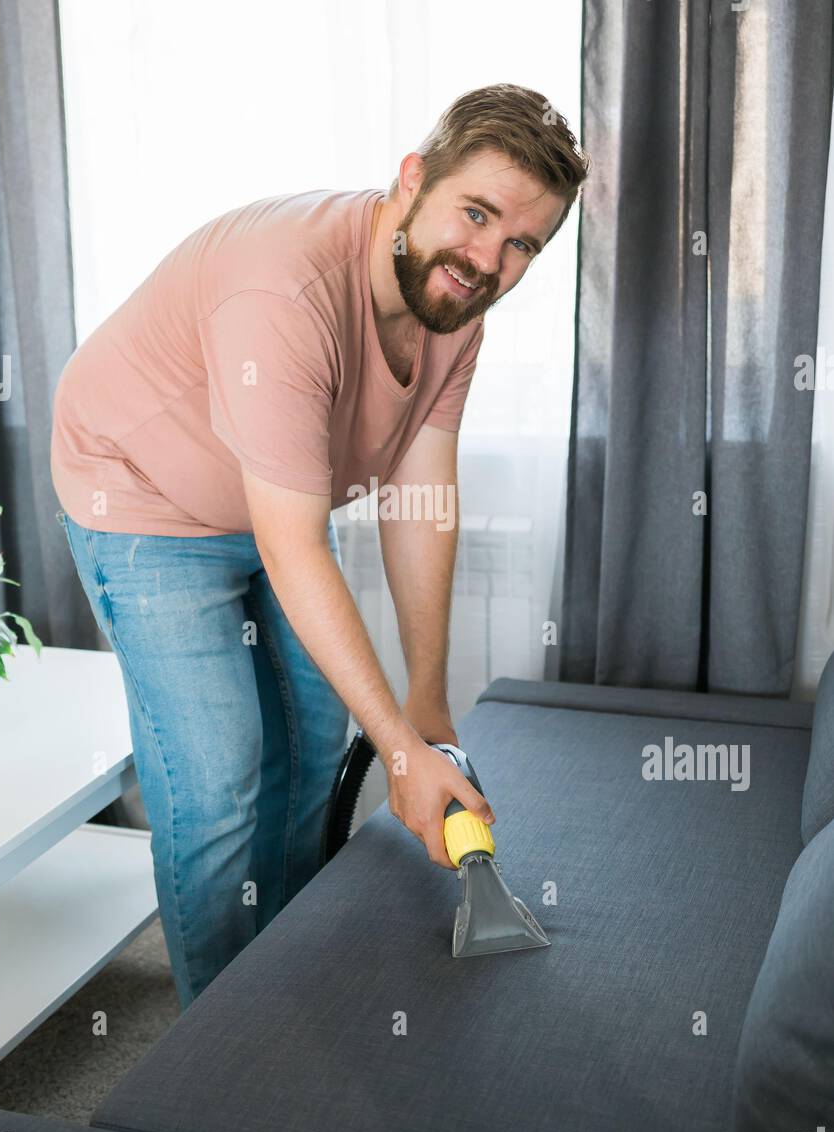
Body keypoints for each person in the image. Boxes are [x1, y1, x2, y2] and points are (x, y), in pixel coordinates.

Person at [50, 82, 589, 1009]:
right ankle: (217, 1039)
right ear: (412, 179)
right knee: (219, 779)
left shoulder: (452, 307)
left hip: (273, 495)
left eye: (521, 245)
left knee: (310, 746)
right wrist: (404, 757)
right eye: (476, 213)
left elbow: (420, 496)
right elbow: (296, 542)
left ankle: (287, 974)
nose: (487, 259)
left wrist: (423, 706)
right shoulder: (286, 290)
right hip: (140, 495)